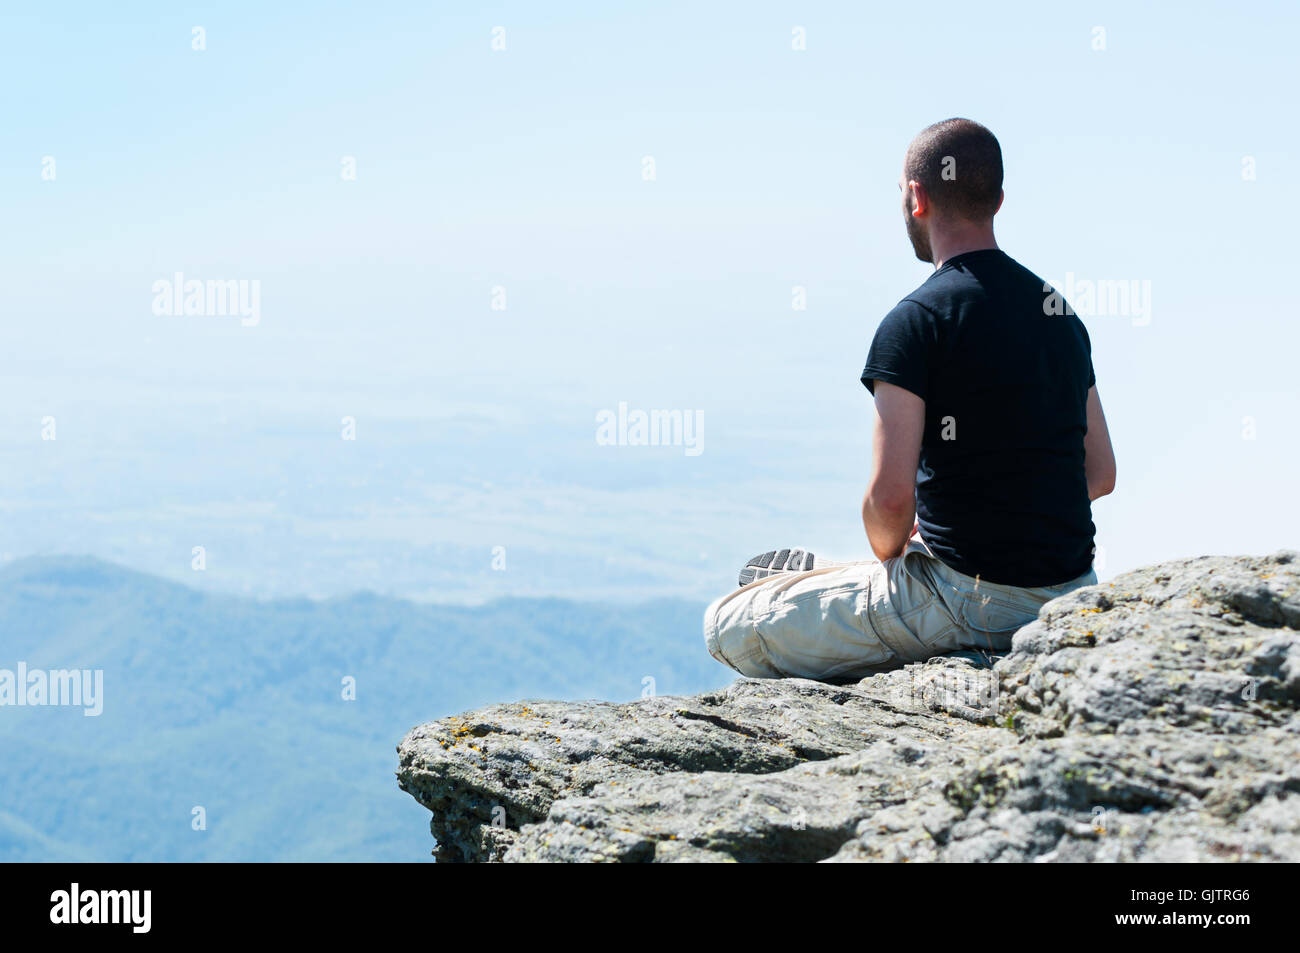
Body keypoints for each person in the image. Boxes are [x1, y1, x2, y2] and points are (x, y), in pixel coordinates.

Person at [704, 118, 1116, 682]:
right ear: (997, 199)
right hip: (1069, 593)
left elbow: (890, 503)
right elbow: (1100, 473)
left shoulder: (916, 321)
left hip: (962, 602)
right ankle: (827, 583)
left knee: (728, 624)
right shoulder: (1059, 314)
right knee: (890, 570)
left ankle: (817, 587)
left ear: (916, 197)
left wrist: (905, 546)